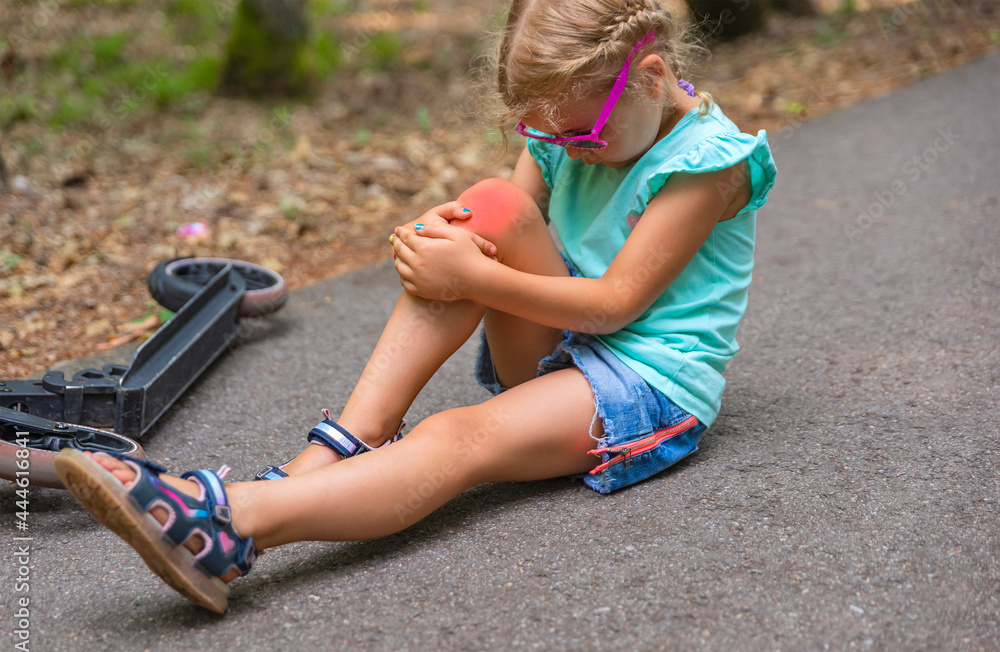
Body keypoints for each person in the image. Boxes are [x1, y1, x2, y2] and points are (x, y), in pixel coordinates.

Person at [55, 0, 777, 613]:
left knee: (454, 437)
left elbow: (616, 305)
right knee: (488, 204)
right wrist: (452, 240)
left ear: (651, 77)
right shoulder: (571, 123)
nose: (566, 152)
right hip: (564, 342)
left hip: (643, 386)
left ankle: (233, 521)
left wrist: (473, 276)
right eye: (542, 135)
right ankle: (336, 449)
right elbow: (513, 217)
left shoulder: (710, 165)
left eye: (580, 136)